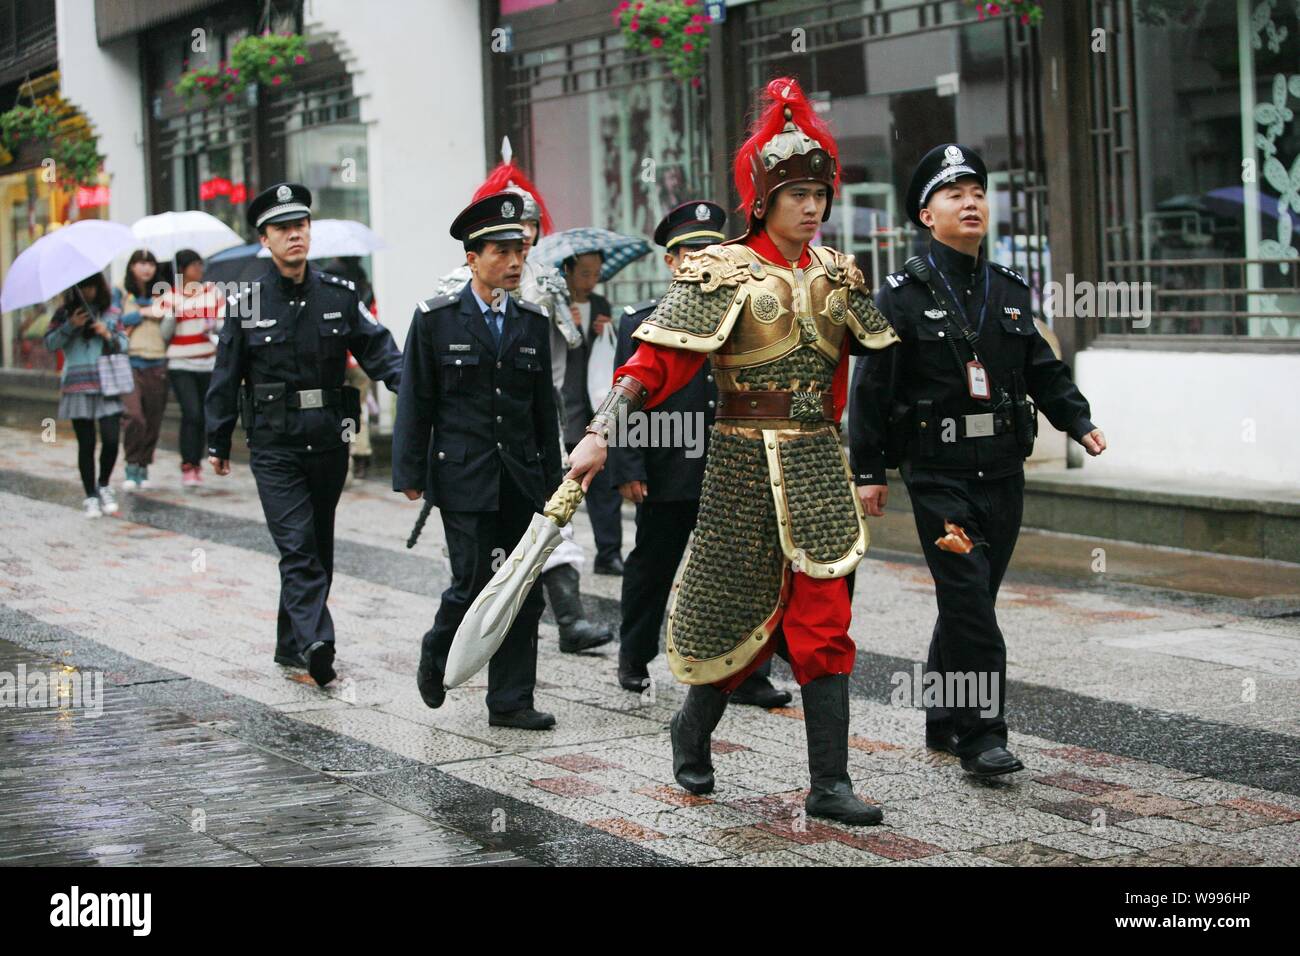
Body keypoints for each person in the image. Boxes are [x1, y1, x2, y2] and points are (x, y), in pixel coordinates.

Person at [565, 78, 899, 824]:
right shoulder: (720, 269)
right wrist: (601, 431)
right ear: (763, 198)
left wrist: (863, 464)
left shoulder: (838, 274)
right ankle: (692, 723)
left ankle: (829, 785)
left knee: (824, 625)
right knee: (729, 614)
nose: (812, 206)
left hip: (816, 467)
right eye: (797, 195)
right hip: (742, 465)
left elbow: (847, 380)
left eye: (820, 191)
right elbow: (653, 365)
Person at [849, 143, 1107, 777]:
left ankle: (942, 714)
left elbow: (1042, 370)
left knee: (973, 598)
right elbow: (873, 386)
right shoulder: (902, 296)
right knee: (970, 603)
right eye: (953, 195)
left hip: (1002, 472)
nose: (970, 203)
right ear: (926, 215)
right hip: (938, 475)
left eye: (977, 193)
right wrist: (868, 470)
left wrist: (1078, 420)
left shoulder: (1010, 291)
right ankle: (982, 735)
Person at [205, 183, 403, 686]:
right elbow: (226, 372)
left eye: (301, 226)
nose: (295, 235)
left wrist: (422, 392)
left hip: (329, 438)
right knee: (296, 546)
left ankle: (289, 644)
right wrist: (217, 438)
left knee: (316, 543)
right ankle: (318, 640)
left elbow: (380, 352)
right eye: (283, 229)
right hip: (274, 444)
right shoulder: (247, 301)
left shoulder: (339, 294)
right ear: (264, 240)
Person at [608, 200, 792, 709]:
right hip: (668, 467)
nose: (701, 260)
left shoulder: (749, 312)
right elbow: (626, 392)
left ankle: (747, 673)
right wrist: (627, 465)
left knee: (743, 573)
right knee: (653, 565)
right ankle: (634, 655)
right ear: (671, 262)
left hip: (734, 468)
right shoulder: (642, 321)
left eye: (712, 249)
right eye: (690, 252)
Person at [392, 192, 564, 730]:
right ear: (472, 258)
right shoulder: (436, 320)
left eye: (520, 251)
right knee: (471, 582)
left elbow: (543, 410)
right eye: (501, 252)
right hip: (463, 475)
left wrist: (555, 482)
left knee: (523, 588)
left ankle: (511, 701)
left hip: (522, 477)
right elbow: (415, 400)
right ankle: (438, 651)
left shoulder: (534, 322)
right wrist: (410, 472)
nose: (515, 263)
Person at [431, 154, 611, 654]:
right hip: (474, 435)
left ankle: (569, 621)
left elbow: (570, 345)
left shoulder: (549, 282)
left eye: (528, 228)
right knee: (479, 553)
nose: (521, 243)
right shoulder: (452, 292)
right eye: (508, 236)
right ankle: (465, 634)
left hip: (536, 421)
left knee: (554, 521)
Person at [43, 274, 128, 518]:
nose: (88, 292)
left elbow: (124, 344)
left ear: (99, 286)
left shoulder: (110, 312)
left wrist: (106, 334)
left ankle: (104, 485)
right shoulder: (63, 314)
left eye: (91, 286)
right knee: (87, 443)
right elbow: (49, 344)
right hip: (77, 384)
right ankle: (90, 495)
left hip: (107, 383)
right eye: (82, 286)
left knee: (111, 440)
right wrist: (71, 325)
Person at [561, 251, 625, 575]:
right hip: (567, 407)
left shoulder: (600, 304)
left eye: (596, 273)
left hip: (597, 407)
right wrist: (566, 329)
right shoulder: (555, 302)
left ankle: (609, 553)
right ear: (568, 270)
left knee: (604, 486)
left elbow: (608, 353)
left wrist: (607, 330)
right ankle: (555, 555)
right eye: (584, 273)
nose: (591, 280)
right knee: (565, 485)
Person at [116, 249, 174, 491]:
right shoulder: (119, 291)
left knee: (153, 418)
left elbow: (169, 327)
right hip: (130, 361)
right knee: (134, 416)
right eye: (141, 263)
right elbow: (114, 322)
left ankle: (143, 464)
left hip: (157, 361)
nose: (146, 268)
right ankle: (131, 463)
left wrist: (165, 313)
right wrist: (141, 313)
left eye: (150, 263)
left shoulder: (165, 293)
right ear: (131, 266)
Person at [164, 248, 222, 488]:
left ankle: (198, 464)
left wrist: (213, 324)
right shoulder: (170, 296)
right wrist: (173, 314)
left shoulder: (213, 292)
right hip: (180, 363)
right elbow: (164, 335)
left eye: (200, 264)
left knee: (205, 416)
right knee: (192, 413)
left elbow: (223, 324)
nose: (199, 269)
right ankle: (189, 465)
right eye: (193, 265)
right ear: (181, 270)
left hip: (208, 362)